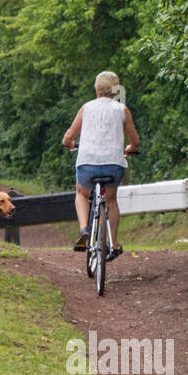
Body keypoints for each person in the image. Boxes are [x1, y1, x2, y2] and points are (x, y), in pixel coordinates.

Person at [61, 70, 139, 260]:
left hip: (87, 163)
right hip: (114, 164)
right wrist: (130, 148)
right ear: (115, 91)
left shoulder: (86, 108)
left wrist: (70, 144)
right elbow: (135, 140)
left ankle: (84, 229)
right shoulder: (122, 109)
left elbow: (68, 137)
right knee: (110, 200)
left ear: (96, 89)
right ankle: (114, 244)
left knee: (81, 193)